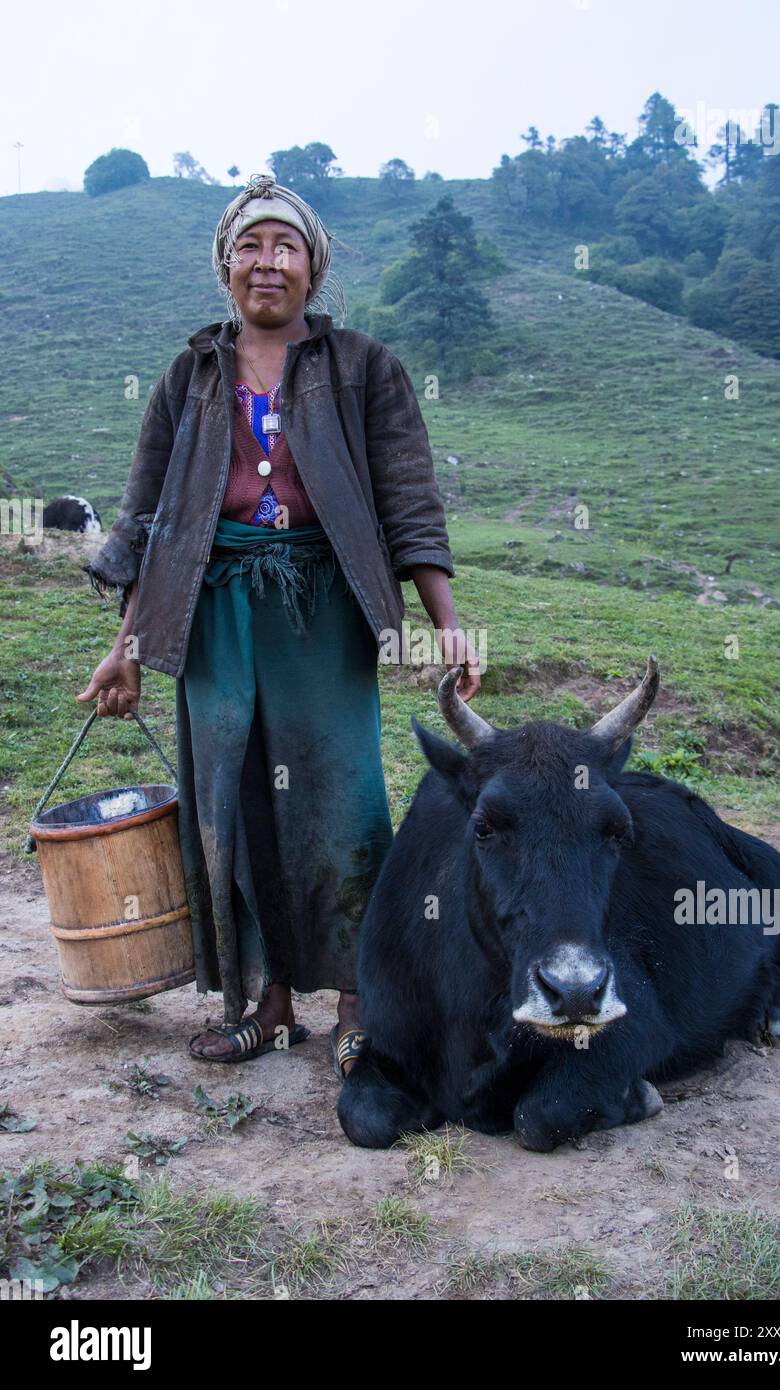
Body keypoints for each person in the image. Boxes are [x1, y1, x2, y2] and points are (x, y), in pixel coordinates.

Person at [78, 173, 481, 1077]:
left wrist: (445, 626)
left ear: (313, 268)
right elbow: (147, 523)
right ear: (226, 265)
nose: (268, 263)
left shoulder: (364, 368)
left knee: (343, 803)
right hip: (213, 611)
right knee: (234, 806)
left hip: (323, 611)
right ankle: (265, 1005)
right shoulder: (189, 377)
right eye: (251, 246)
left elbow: (411, 503)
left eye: (285, 246)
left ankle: (358, 1003)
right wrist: (125, 651)